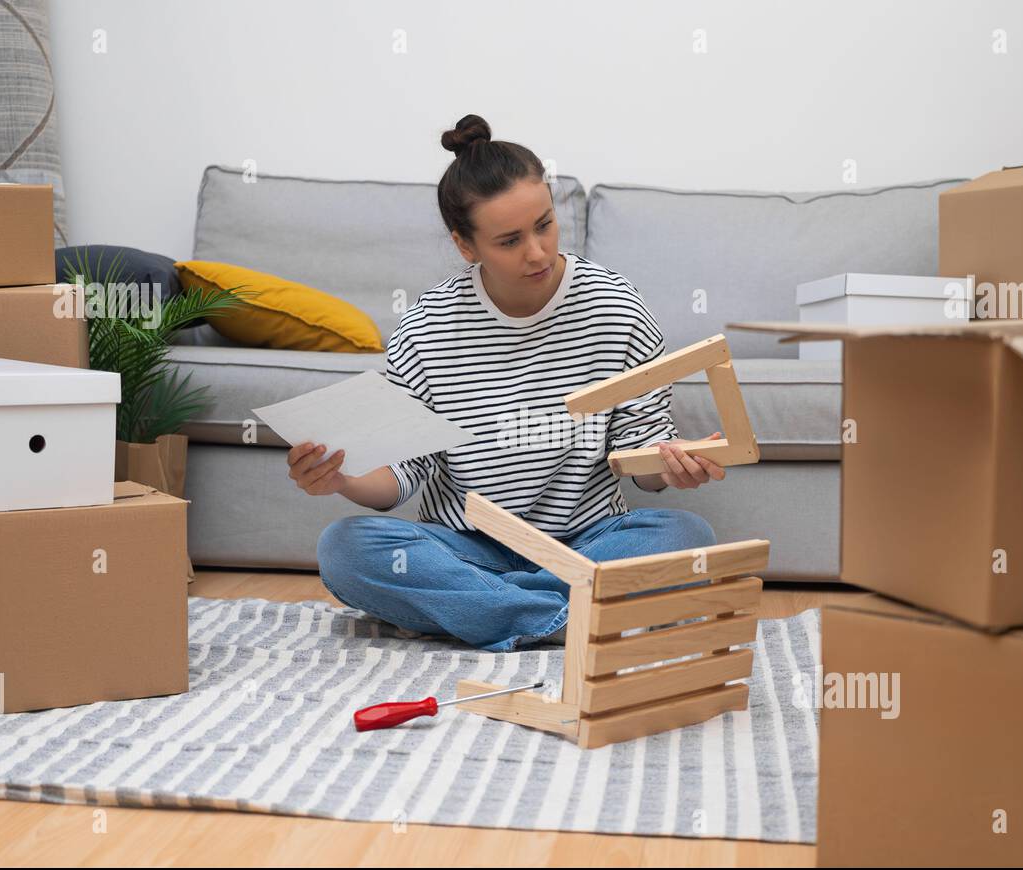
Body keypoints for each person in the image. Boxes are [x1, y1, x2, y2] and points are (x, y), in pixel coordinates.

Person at [292, 114, 725, 652]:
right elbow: (401, 476)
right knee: (344, 547)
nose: (537, 252)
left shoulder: (618, 311)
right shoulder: (428, 328)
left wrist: (670, 464)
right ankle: (571, 614)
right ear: (466, 245)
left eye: (545, 224)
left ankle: (479, 610)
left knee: (685, 538)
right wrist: (341, 479)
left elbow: (640, 459)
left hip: (586, 541)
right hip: (467, 547)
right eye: (509, 240)